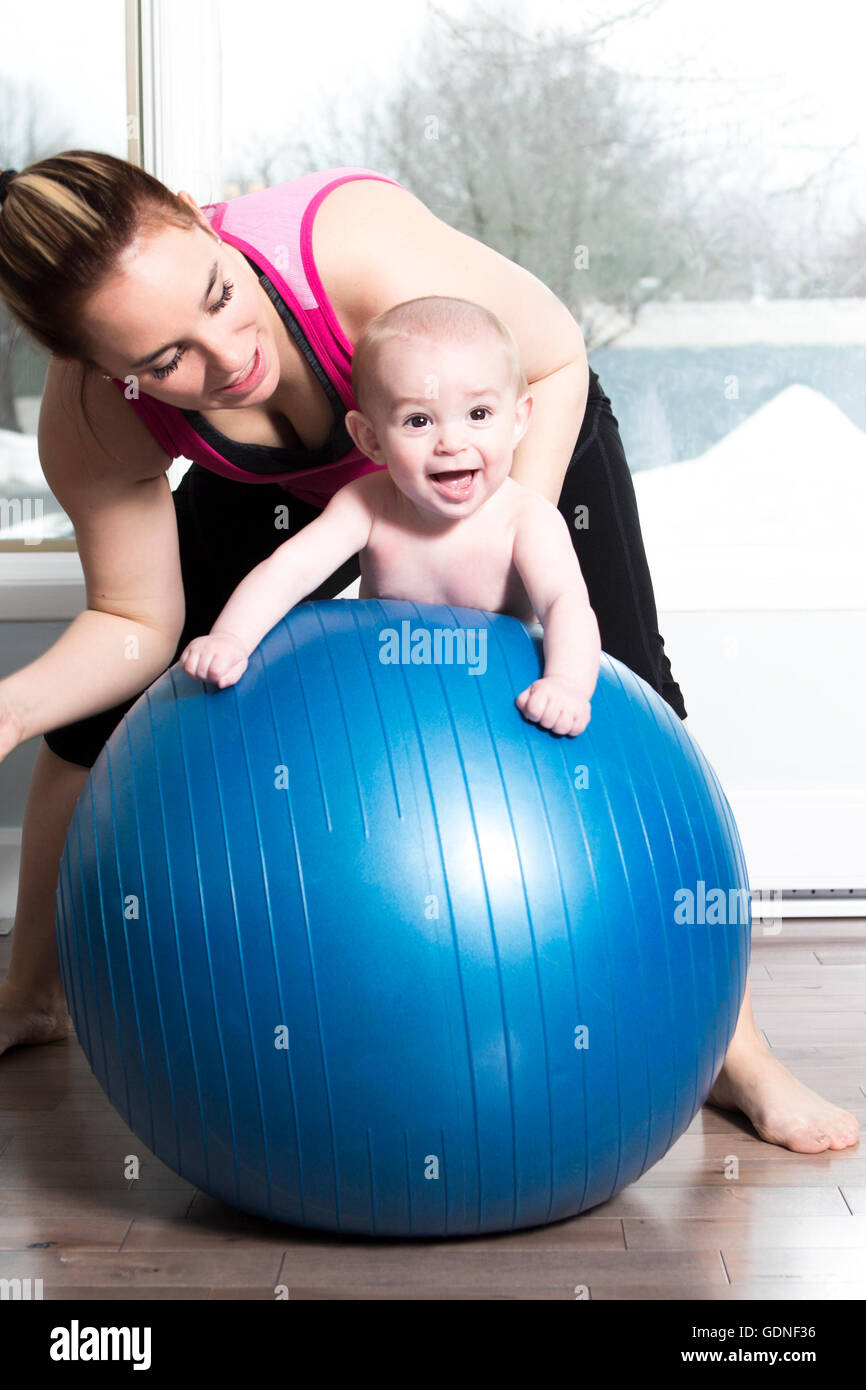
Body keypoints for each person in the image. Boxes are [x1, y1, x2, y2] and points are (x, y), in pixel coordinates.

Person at [0, 153, 858, 1156]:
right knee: (95, 719)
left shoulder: (353, 247)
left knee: (628, 689)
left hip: (499, 434)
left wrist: (498, 542)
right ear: (106, 372)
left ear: (199, 215)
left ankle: (733, 1048)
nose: (225, 357)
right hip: (325, 480)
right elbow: (134, 624)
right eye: (164, 361)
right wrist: (12, 709)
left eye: (219, 297)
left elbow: (548, 358)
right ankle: (33, 989)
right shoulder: (98, 418)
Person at [180, 295, 602, 738]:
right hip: (385, 698)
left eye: (479, 414)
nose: (452, 442)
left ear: (518, 421)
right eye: (418, 421)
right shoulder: (368, 504)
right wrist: (231, 638)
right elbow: (289, 571)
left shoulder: (526, 519)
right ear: (370, 439)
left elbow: (564, 603)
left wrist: (567, 684)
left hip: (491, 699)